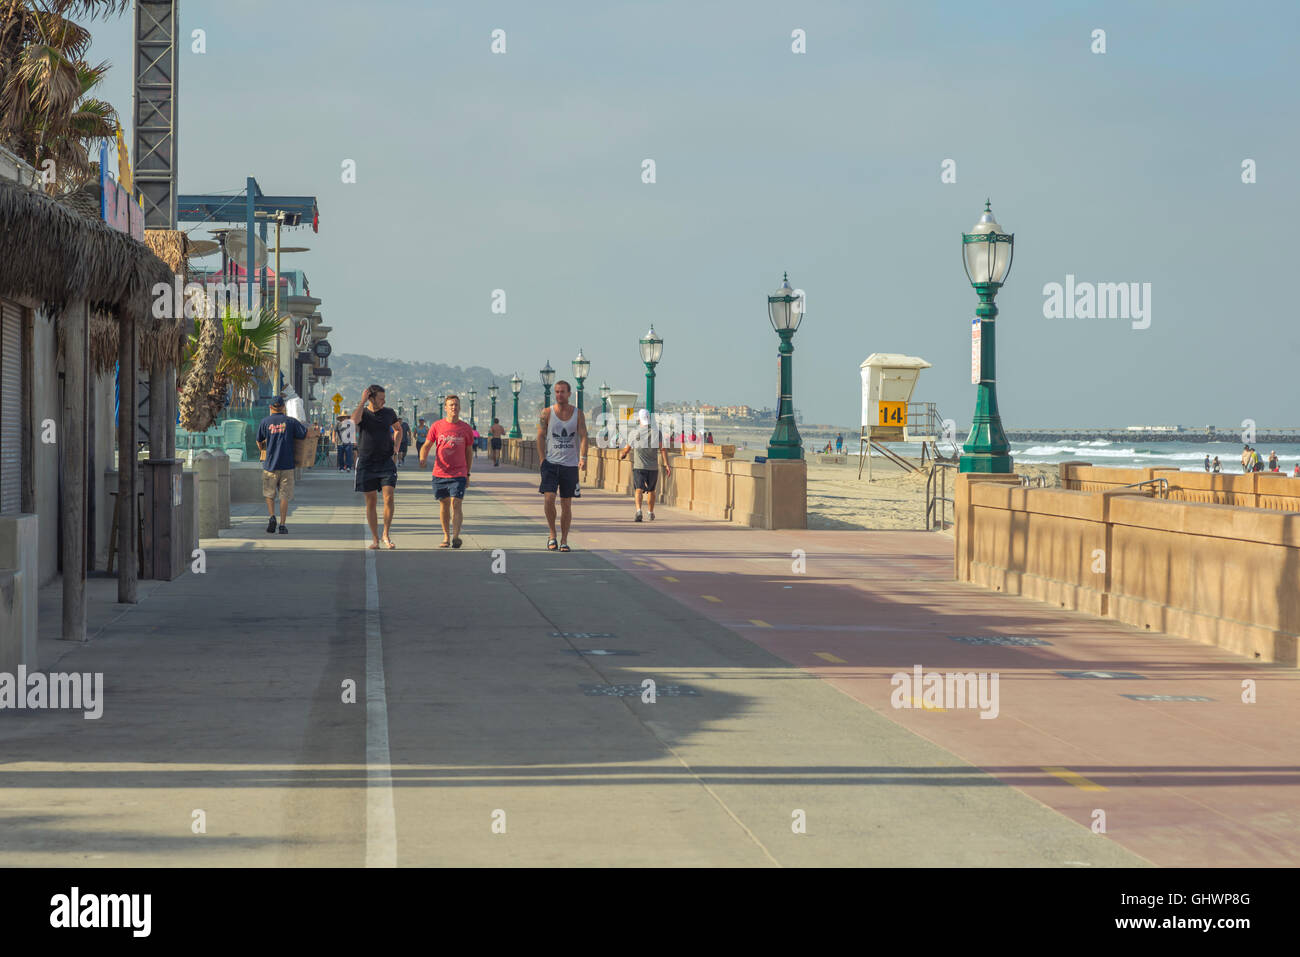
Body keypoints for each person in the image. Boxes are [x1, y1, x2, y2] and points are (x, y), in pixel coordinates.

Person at [420, 394, 476, 548]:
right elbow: (426, 445)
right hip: (440, 472)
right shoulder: (437, 426)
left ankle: (456, 536)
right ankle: (446, 536)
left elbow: (469, 452)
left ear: (460, 407)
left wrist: (468, 473)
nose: (454, 407)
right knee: (444, 505)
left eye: (456, 405)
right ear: (445, 408)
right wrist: (422, 457)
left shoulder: (465, 428)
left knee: (456, 503)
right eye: (451, 405)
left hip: (459, 473)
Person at [537, 379, 587, 551]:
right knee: (549, 499)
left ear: (569, 393)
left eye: (562, 391)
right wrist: (542, 459)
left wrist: (583, 458)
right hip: (550, 463)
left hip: (570, 465)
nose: (559, 394)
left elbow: (584, 436)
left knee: (566, 503)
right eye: (557, 392)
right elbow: (540, 436)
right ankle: (552, 534)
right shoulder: (546, 413)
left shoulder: (578, 414)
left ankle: (564, 539)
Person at [352, 384, 402, 549]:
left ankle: (386, 534)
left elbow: (398, 429)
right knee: (371, 501)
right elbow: (354, 421)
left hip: (386, 461)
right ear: (371, 398)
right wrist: (362, 402)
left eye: (384, 398)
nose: (384, 401)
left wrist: (396, 447)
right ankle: (375, 539)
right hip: (366, 461)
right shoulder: (363, 413)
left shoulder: (389, 412)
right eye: (380, 398)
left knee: (389, 497)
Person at [256, 396, 310, 535]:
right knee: (284, 496)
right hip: (287, 465)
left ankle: (272, 516)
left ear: (270, 407)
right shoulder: (291, 422)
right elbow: (303, 435)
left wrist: (263, 449)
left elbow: (259, 440)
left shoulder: (265, 422)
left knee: (269, 493)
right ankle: (282, 525)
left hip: (270, 465)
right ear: (283, 407)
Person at [619, 408, 671, 522]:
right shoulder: (657, 432)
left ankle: (638, 511)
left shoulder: (634, 432)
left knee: (638, 489)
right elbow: (663, 449)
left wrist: (623, 454)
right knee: (651, 490)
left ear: (639, 419)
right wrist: (667, 464)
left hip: (639, 466)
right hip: (653, 467)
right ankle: (651, 512)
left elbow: (627, 448)